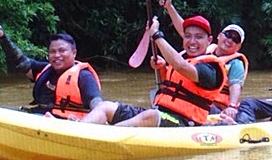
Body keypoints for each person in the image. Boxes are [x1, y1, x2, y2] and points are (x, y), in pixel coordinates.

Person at [81, 14, 226, 127]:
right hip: (161, 114)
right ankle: (79, 130)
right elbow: (171, 88)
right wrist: (162, 68)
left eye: (199, 37)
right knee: (105, 106)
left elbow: (181, 66)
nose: (192, 41)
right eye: (187, 36)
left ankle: (105, 136)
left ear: (209, 40)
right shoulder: (184, 58)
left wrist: (156, 35)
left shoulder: (211, 69)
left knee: (151, 115)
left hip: (186, 123)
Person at [159, 0, 248, 121]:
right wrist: (169, 7)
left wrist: (232, 106)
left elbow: (235, 86)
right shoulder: (205, 51)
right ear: (219, 36)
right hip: (197, 99)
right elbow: (185, 31)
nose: (230, 40)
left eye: (235, 39)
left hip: (215, 107)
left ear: (238, 47)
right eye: (228, 35)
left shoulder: (235, 63)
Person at [0, 22, 103, 119]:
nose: (57, 55)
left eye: (62, 51)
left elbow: (98, 106)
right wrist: (2, 37)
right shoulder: (45, 70)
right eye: (52, 51)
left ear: (74, 53)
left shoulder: (84, 77)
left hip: (67, 125)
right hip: (40, 118)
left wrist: (84, 123)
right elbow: (19, 61)